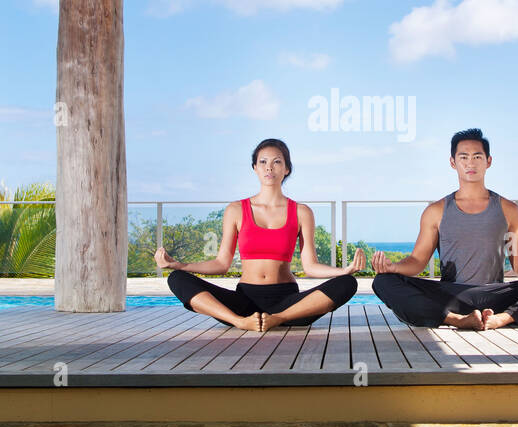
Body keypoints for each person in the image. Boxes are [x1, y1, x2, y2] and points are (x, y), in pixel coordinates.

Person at [370, 127, 518, 330]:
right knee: (383, 282)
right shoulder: (436, 211)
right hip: (451, 296)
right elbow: (417, 261)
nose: (470, 163)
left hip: (496, 294)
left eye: (477, 157)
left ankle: (501, 319)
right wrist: (393, 267)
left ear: (488, 161)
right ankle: (457, 320)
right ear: (453, 162)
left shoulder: (509, 210)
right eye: (463, 157)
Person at [156, 138, 365, 332]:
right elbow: (221, 263)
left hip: (287, 303)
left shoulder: (301, 212)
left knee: (347, 283)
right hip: (244, 301)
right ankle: (240, 322)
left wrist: (344, 270)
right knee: (177, 279)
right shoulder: (236, 210)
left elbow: (310, 266)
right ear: (255, 168)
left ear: (287, 168)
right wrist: (179, 265)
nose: (269, 167)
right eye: (263, 161)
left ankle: (278, 319)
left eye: (277, 162)